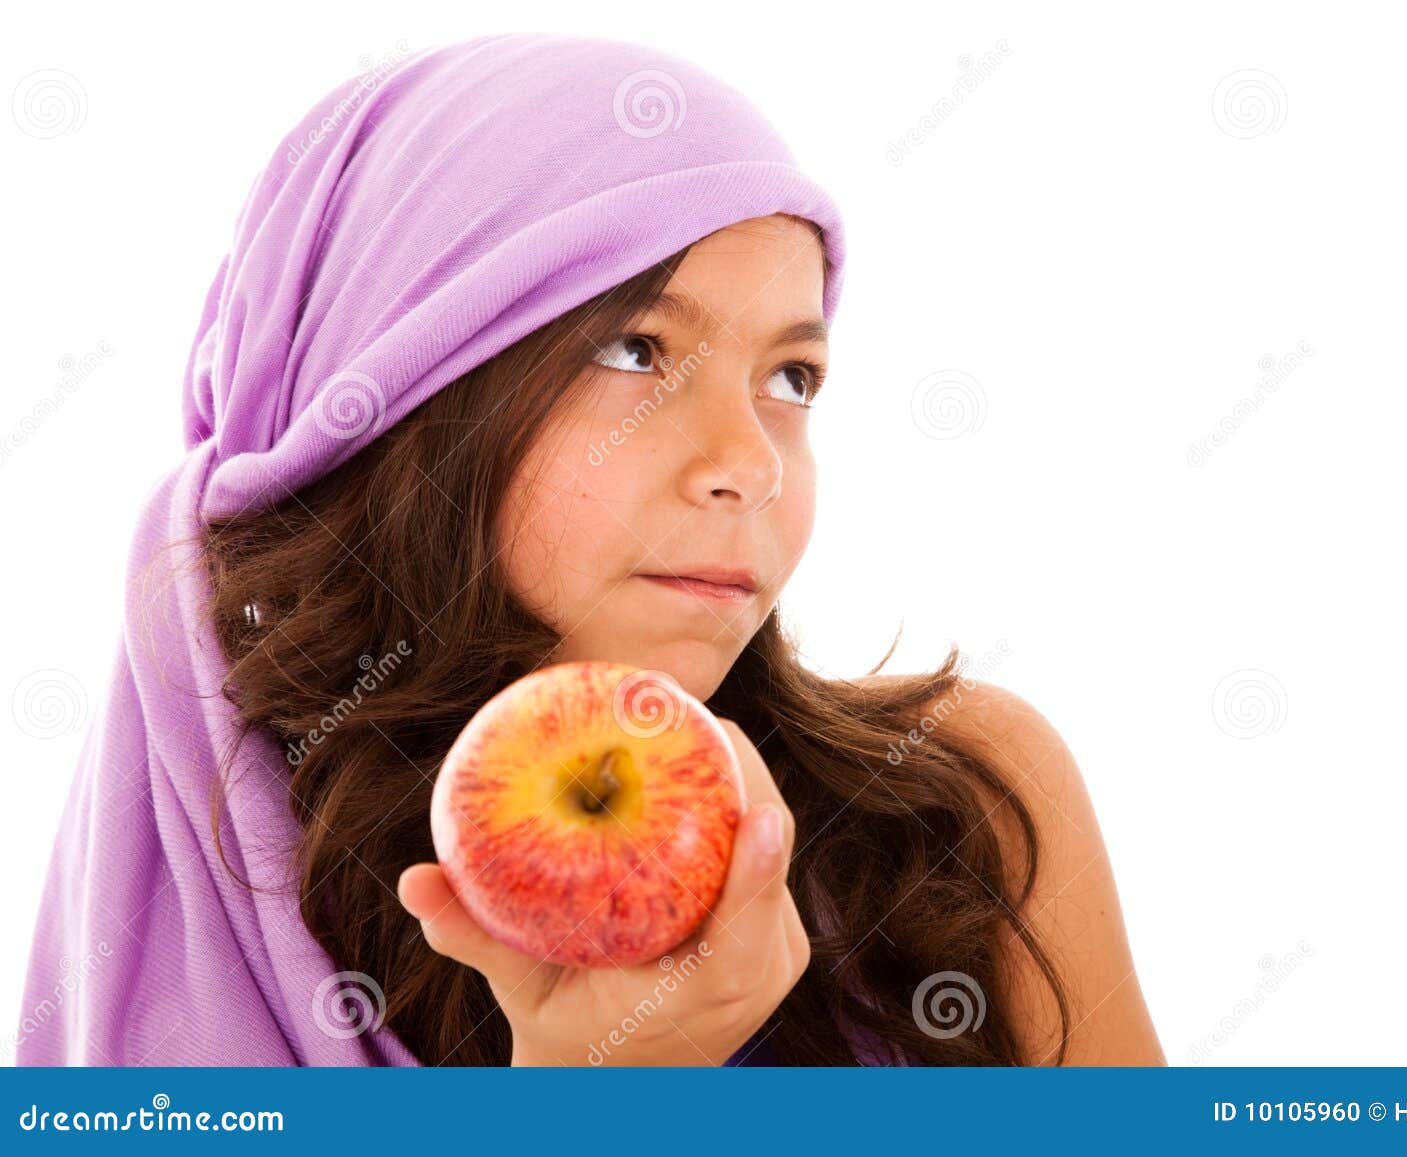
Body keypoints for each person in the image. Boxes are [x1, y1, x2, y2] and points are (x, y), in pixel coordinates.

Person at [14, 32, 1162, 1067]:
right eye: (635, 349)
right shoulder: (224, 901)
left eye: (790, 378)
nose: (749, 464)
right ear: (398, 393)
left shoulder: (958, 812)